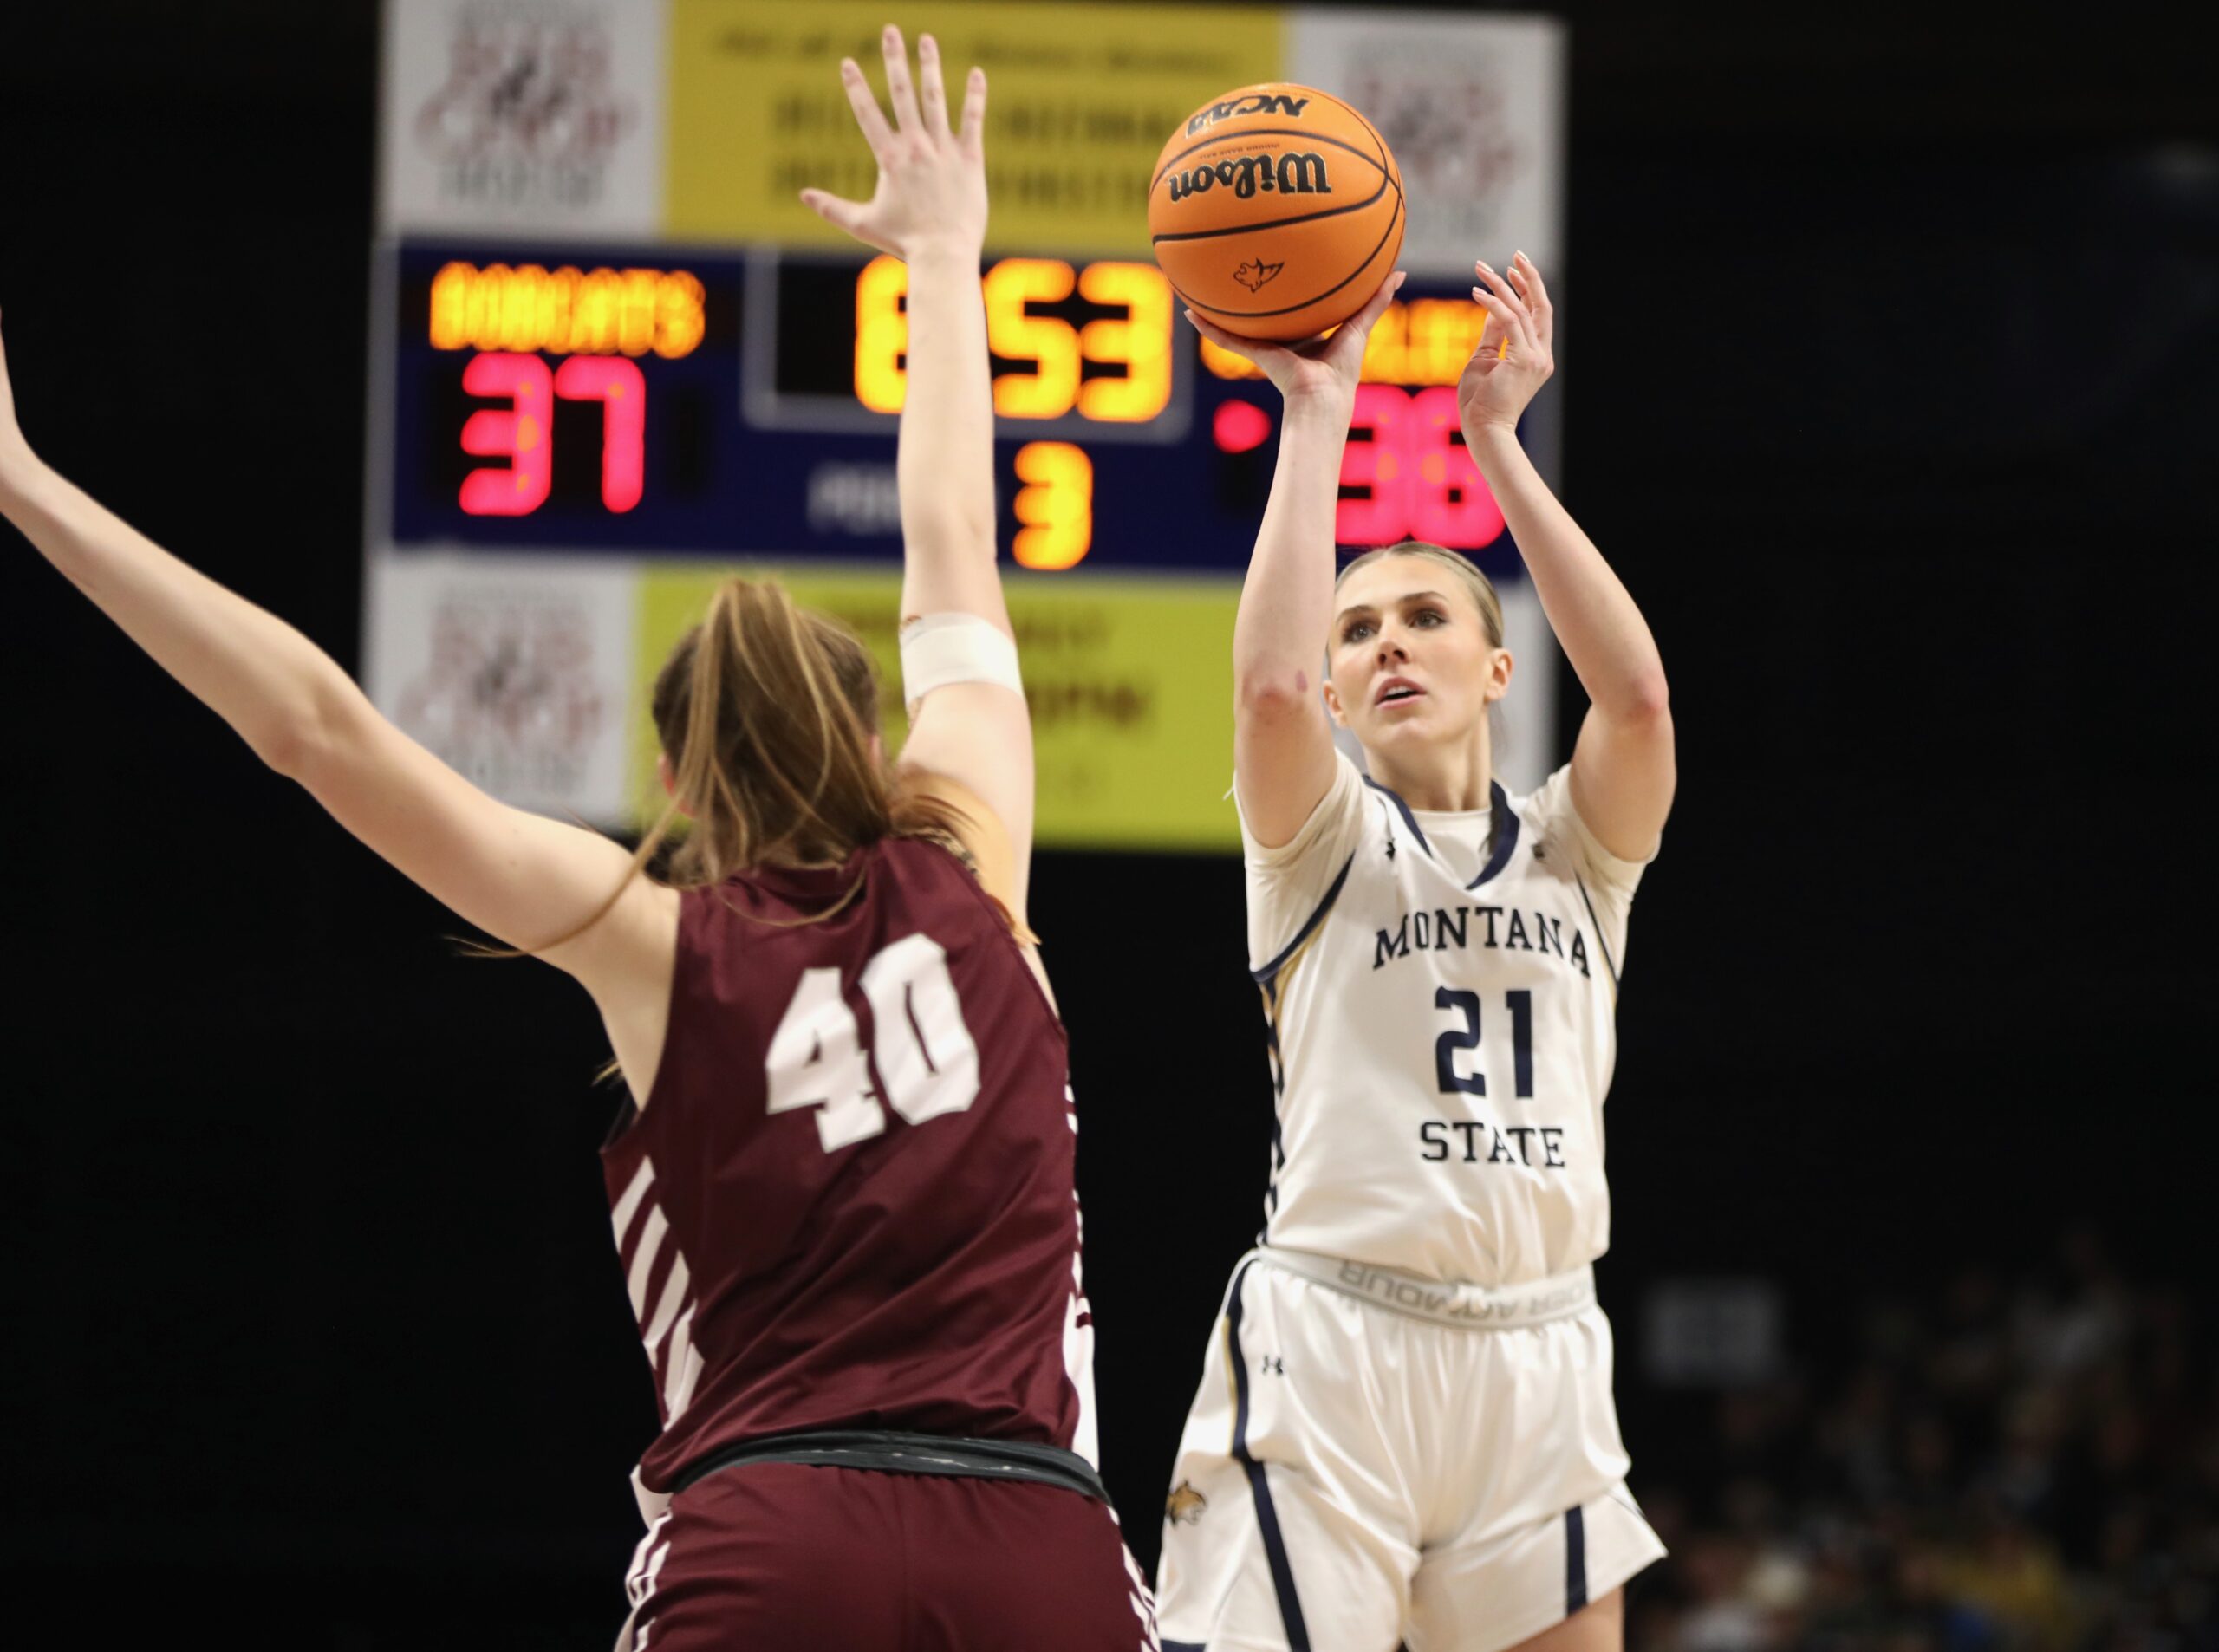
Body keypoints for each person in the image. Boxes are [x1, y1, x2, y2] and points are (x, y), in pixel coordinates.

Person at [0, 27, 1154, 1652]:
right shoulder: (974, 850)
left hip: (779, 1528)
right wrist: (945, 256)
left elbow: (314, 728)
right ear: (873, 738)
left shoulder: (645, 935)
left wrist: (25, 482)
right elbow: (955, 539)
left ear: (678, 787)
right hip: (1037, 1538)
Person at [1154, 254, 1675, 1652]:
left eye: (1427, 616)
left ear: (1499, 669)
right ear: (1336, 688)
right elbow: (1264, 686)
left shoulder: (1578, 851)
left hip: (1540, 1346)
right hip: (1336, 1343)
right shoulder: (1320, 844)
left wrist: (1496, 444)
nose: (1390, 644)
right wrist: (1318, 408)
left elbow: (1633, 695)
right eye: (1361, 631)